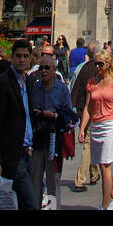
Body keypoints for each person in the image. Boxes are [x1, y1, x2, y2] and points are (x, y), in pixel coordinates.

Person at [0, 38, 40, 211]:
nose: (21, 60)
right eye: (18, 56)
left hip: (27, 152)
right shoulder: (2, 83)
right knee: (31, 203)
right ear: (11, 57)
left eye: (25, 56)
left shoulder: (29, 82)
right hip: (11, 155)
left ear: (30, 58)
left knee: (22, 203)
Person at [78, 48, 113, 210]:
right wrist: (82, 129)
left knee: (105, 165)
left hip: (110, 125)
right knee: (102, 165)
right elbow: (88, 107)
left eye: (100, 64)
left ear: (108, 64)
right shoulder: (92, 83)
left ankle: (104, 204)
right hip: (95, 125)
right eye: (96, 64)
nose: (97, 67)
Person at [29, 50, 77, 208]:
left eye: (47, 68)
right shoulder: (34, 88)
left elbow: (70, 116)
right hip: (37, 139)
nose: (43, 71)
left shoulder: (62, 89)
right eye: (41, 68)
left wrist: (54, 116)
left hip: (54, 140)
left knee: (53, 181)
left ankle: (53, 207)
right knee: (35, 180)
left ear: (54, 70)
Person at [71, 41, 101, 192]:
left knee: (91, 142)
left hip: (83, 109)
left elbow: (75, 88)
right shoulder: (100, 69)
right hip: (94, 111)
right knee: (89, 144)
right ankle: (80, 179)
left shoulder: (83, 68)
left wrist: (72, 105)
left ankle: (94, 173)